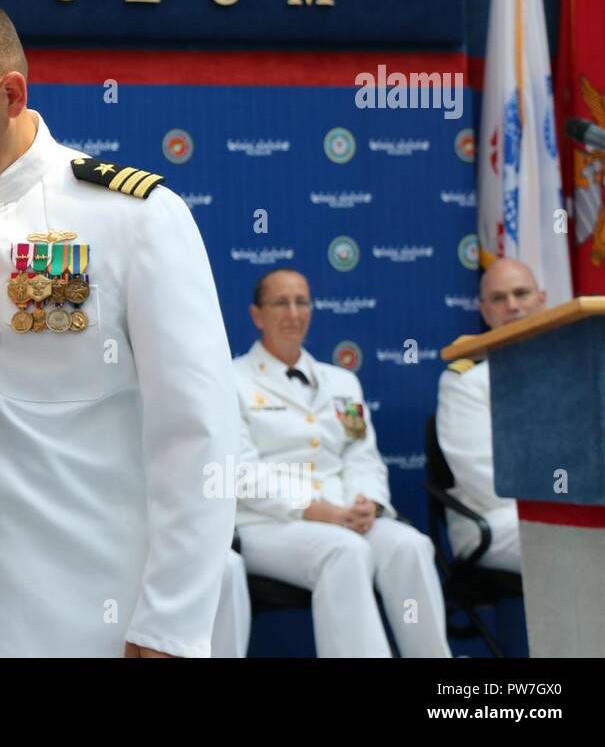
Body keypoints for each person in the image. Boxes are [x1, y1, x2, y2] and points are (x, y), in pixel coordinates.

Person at [0, 0, 239, 657]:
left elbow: (195, 433)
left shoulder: (135, 218)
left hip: (84, 610)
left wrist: (170, 623)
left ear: (10, 93)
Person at [233, 268, 451, 657]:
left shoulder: (341, 382)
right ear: (256, 315)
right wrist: (312, 509)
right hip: (268, 523)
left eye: (302, 302)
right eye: (281, 302)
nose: (294, 313)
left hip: (345, 513)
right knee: (344, 551)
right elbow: (241, 473)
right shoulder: (232, 380)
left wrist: (367, 502)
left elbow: (360, 454)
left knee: (410, 546)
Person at [436, 257, 547, 573]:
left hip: (571, 509)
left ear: (543, 300)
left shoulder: (574, 371)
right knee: (587, 543)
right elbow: (483, 476)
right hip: (494, 519)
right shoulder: (464, 382)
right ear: (484, 311)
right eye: (499, 298)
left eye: (521, 293)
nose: (512, 306)